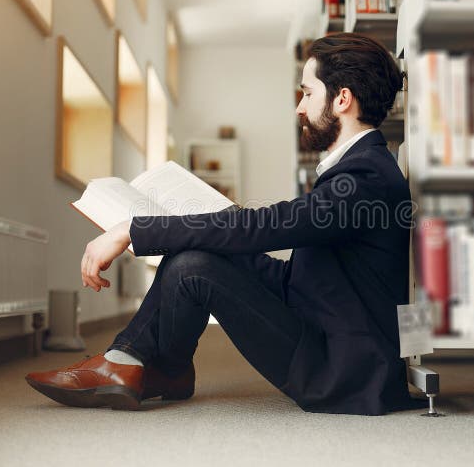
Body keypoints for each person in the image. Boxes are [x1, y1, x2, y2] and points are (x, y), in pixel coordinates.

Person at [25, 33, 423, 416]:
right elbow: (307, 278)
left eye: (307, 93)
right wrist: (196, 237)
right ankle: (149, 366)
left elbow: (265, 226)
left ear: (342, 99)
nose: (299, 109)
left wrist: (133, 229)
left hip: (342, 371)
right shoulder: (361, 168)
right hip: (321, 327)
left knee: (193, 265)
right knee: (194, 252)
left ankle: (144, 365)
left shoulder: (364, 178)